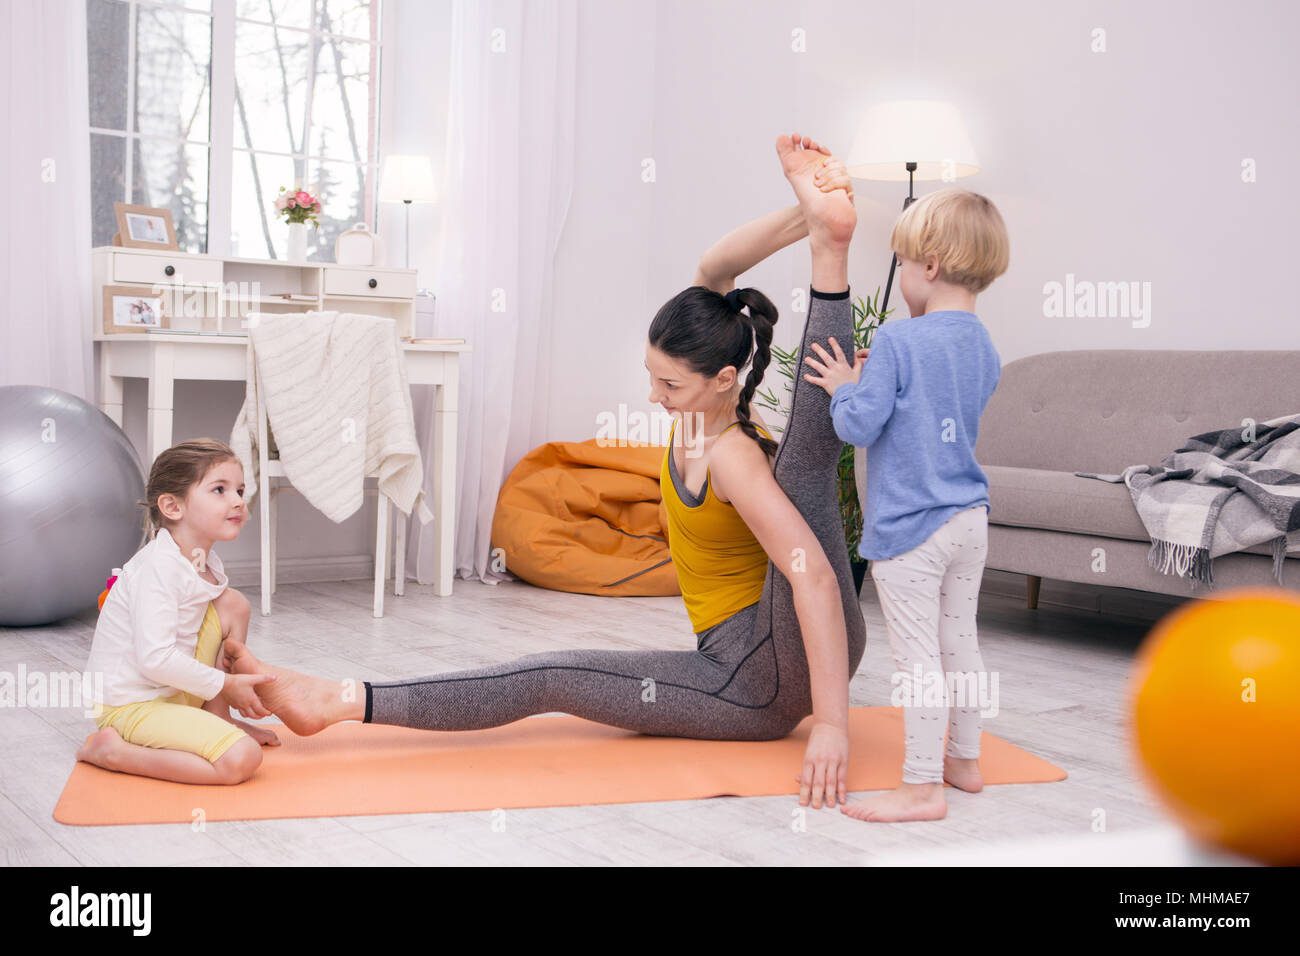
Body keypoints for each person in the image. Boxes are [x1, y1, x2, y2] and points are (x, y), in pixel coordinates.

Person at [224, 132, 870, 810]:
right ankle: (830, 237)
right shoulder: (703, 389)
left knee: (552, 674)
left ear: (723, 381)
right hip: (772, 643)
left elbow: (818, 575)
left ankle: (334, 700)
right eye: (650, 376)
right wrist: (806, 211)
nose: (654, 397)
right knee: (803, 471)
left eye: (669, 385)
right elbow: (715, 266)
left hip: (761, 678)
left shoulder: (732, 456)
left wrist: (829, 724)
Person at [801, 187, 1009, 821]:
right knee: (960, 642)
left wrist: (845, 387)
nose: (901, 288)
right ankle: (964, 761)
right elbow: (933, 408)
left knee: (918, 655)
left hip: (912, 529)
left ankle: (921, 786)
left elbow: (860, 428)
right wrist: (884, 380)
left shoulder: (899, 339)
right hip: (970, 518)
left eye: (904, 267)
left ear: (932, 266)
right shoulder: (984, 346)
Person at [76, 439, 280, 784]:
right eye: (219, 489)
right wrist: (226, 683)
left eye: (240, 490)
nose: (237, 501)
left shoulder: (202, 561)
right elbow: (154, 660)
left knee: (233, 604)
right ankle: (113, 752)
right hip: (131, 706)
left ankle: (220, 720)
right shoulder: (158, 567)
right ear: (172, 506)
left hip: (171, 692)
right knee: (242, 759)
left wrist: (223, 690)